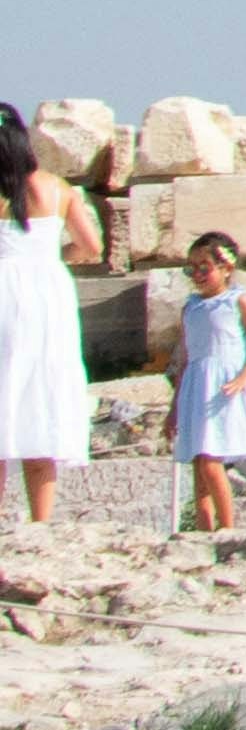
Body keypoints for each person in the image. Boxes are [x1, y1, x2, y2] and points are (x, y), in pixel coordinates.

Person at [0, 108, 99, 524]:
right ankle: (41, 523)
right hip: (48, 295)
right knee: (41, 397)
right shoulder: (57, 188)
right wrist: (55, 257)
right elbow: (91, 247)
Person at [170, 233, 246, 533]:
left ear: (226, 267)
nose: (197, 275)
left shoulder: (237, 301)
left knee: (210, 461)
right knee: (198, 463)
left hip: (223, 387)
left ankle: (227, 529)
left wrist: (244, 376)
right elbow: (185, 357)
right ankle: (205, 530)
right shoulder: (190, 307)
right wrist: (174, 407)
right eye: (190, 269)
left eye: (204, 267)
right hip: (196, 385)